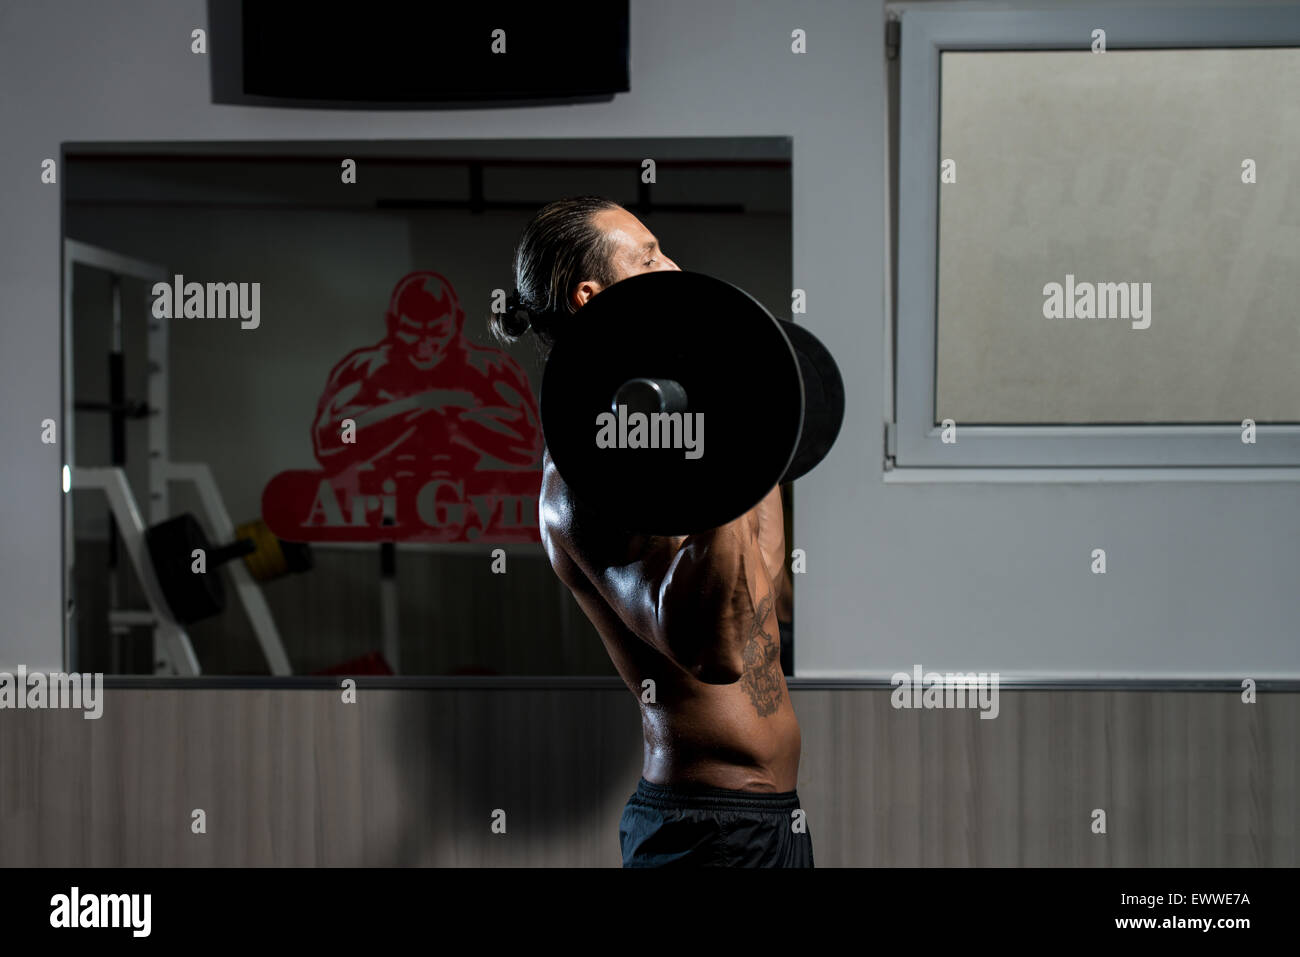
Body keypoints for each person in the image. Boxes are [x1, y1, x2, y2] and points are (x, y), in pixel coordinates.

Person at [492, 196, 812, 867]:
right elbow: (713, 651)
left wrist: (755, 414)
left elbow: (764, 597)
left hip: (768, 817)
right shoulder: (583, 482)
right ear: (592, 295)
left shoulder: (681, 437)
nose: (674, 266)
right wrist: (725, 448)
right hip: (707, 828)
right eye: (649, 257)